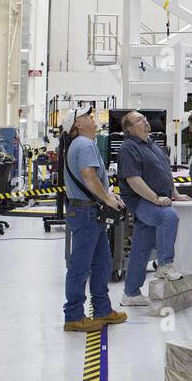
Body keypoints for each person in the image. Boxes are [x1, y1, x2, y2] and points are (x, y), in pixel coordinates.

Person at [60, 106, 127, 332]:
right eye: (86, 115)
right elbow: (89, 177)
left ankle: (102, 310)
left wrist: (108, 195)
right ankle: (74, 315)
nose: (92, 117)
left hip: (88, 211)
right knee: (80, 266)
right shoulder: (85, 144)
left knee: (102, 263)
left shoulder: (81, 145)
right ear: (77, 125)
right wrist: (107, 200)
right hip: (86, 212)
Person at [117, 110, 188, 306]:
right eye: (140, 120)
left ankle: (131, 293)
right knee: (168, 217)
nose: (145, 121)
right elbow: (133, 179)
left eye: (145, 118)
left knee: (141, 248)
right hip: (142, 202)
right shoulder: (128, 148)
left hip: (156, 199)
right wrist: (155, 198)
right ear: (130, 129)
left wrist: (174, 193)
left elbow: (164, 171)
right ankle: (165, 264)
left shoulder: (152, 144)